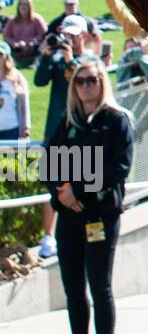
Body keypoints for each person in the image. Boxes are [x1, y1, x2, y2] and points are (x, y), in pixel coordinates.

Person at [42, 55, 133, 334]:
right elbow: (47, 164)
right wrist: (62, 195)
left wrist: (77, 189)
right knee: (72, 286)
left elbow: (119, 168)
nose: (85, 86)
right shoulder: (69, 121)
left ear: (102, 82)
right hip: (69, 216)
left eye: (91, 80)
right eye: (79, 81)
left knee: (99, 284)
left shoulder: (116, 119)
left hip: (101, 216)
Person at [33, 13, 93, 258]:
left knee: (82, 186)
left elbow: (82, 87)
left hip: (80, 136)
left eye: (73, 34)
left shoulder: (88, 63)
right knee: (55, 186)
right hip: (56, 134)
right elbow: (39, 80)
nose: (67, 38)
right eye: (65, 34)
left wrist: (70, 61)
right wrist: (47, 56)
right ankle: (49, 236)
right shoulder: (57, 59)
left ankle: (86, 232)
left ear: (83, 36)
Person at [3, 0, 47, 66]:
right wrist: (14, 43)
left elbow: (43, 34)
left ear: (30, 7)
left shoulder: (37, 19)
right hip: (17, 47)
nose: (23, 7)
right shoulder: (12, 20)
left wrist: (32, 41)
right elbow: (6, 35)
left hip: (33, 46)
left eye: (26, 5)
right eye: (21, 5)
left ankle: (36, 62)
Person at [0, 43, 30, 141]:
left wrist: (26, 127)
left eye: (0, 55)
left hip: (12, 129)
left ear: (6, 57)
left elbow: (24, 105)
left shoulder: (17, 77)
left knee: (12, 156)